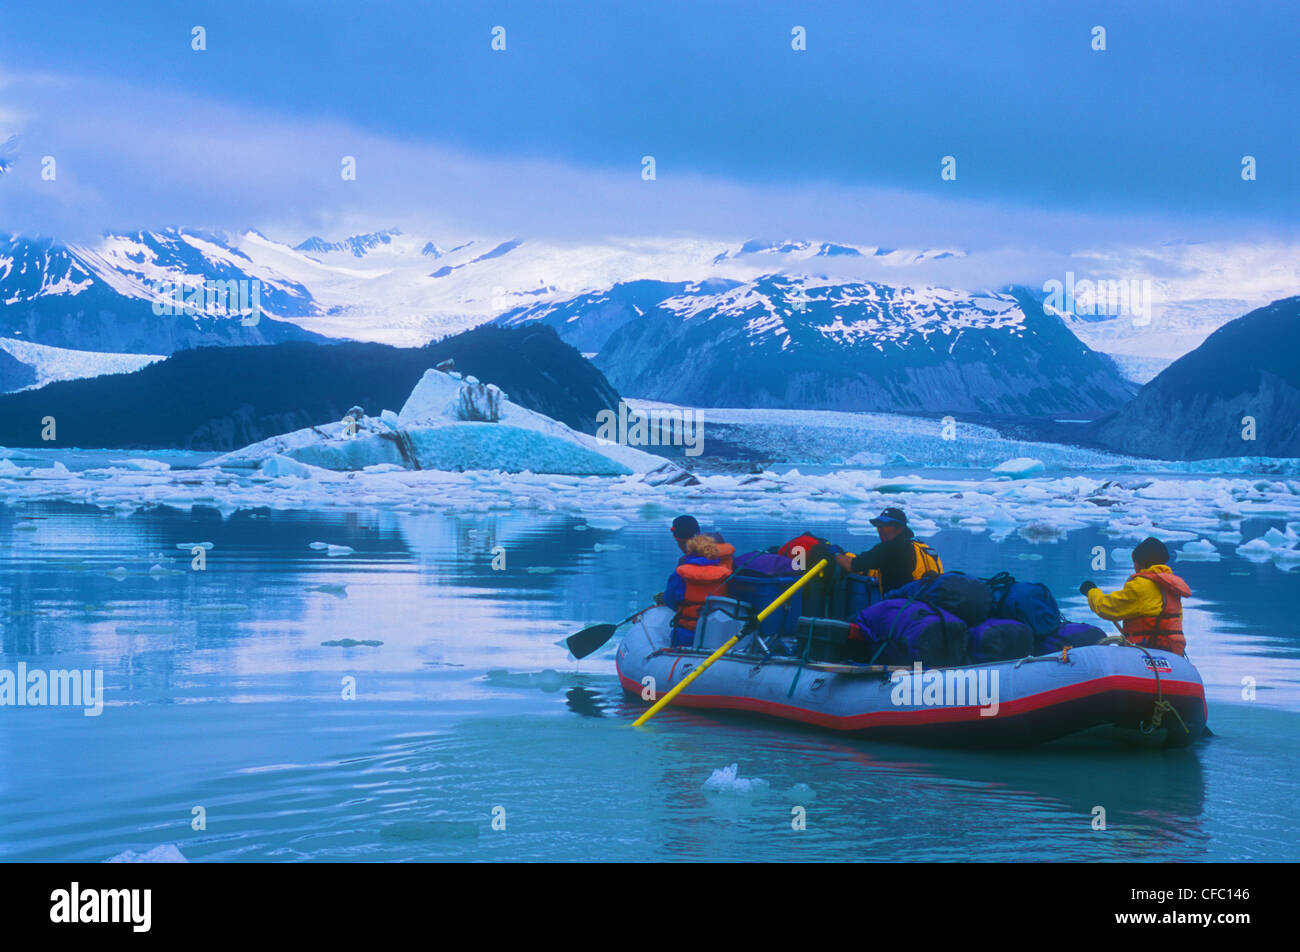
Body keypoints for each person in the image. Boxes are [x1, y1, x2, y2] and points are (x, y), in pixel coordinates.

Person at [1079, 537, 1189, 655]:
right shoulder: (1171, 587)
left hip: (1147, 651)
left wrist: (1091, 591)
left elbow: (1107, 608)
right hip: (1173, 652)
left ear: (1140, 562)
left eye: (1135, 562)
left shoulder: (1141, 586)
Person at [834, 507, 942, 596]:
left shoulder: (891, 547)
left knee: (858, 619)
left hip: (901, 612)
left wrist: (834, 553)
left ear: (899, 528)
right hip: (930, 609)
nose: (880, 530)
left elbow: (851, 565)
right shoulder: (924, 548)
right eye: (878, 526)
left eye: (884, 526)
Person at [664, 534, 736, 647]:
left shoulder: (680, 573)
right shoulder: (726, 574)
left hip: (685, 634)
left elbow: (669, 600)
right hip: (717, 634)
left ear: (690, 550)